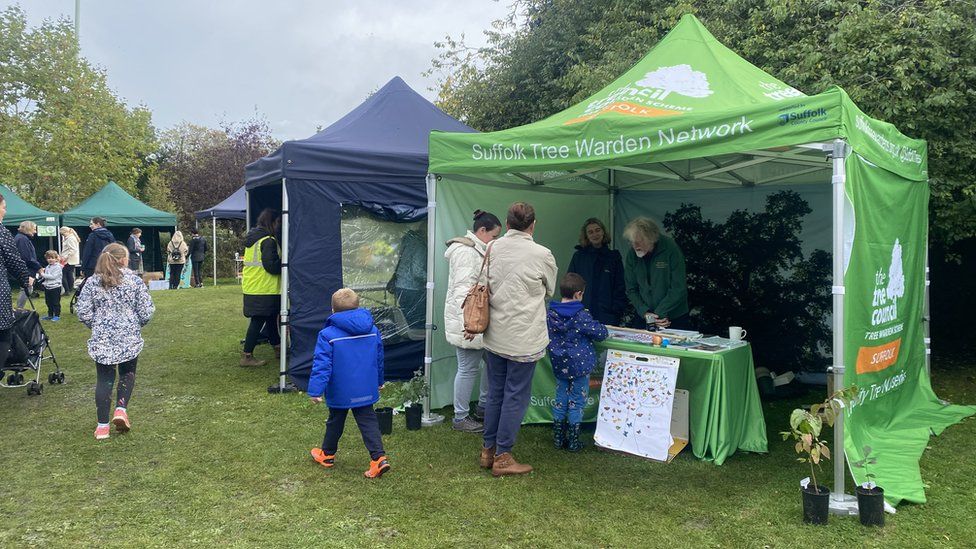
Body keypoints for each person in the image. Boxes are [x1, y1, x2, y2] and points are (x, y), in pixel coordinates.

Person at [476, 202, 557, 476]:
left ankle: (488, 450)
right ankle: (503, 456)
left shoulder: (492, 247)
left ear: (508, 224)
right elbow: (550, 290)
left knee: (496, 392)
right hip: (524, 335)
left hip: (495, 333)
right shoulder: (543, 254)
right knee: (515, 395)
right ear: (533, 225)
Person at [75, 243, 155, 440]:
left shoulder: (92, 282)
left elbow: (83, 311)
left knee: (104, 379)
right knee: (127, 373)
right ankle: (120, 409)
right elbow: (146, 310)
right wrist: (135, 323)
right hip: (128, 335)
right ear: (123, 259)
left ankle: (102, 427)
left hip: (102, 337)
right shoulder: (134, 281)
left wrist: (97, 325)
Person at [308, 288, 390, 479]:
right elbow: (379, 358)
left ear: (332, 310)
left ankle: (327, 454)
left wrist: (315, 390)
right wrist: (379, 381)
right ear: (358, 306)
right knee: (368, 421)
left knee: (335, 421)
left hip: (340, 389)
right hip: (366, 387)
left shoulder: (327, 334)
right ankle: (379, 458)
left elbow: (322, 364)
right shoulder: (373, 330)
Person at [444, 209, 501, 433]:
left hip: (478, 319)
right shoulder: (466, 252)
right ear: (482, 231)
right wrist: (469, 324)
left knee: (491, 363)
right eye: (494, 236)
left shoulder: (476, 250)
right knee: (468, 368)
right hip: (470, 321)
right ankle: (460, 417)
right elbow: (462, 291)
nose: (495, 242)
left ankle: (483, 408)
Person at [547, 273, 608, 452]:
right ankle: (573, 441)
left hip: (560, 364)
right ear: (578, 294)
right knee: (577, 401)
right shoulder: (581, 315)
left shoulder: (550, 313)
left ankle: (558, 438)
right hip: (580, 365)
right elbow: (601, 333)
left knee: (561, 399)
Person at [622, 217, 689, 330]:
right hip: (644, 316)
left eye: (639, 241)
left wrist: (659, 314)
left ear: (651, 238)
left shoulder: (670, 248)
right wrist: (644, 312)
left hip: (672, 316)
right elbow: (631, 288)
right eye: (632, 242)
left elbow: (678, 287)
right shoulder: (632, 255)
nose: (635, 246)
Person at [567, 217, 627, 326]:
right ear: (586, 236)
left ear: (603, 232)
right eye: (590, 232)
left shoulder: (613, 257)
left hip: (608, 315)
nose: (595, 234)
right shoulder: (579, 257)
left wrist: (616, 309)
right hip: (582, 313)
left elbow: (620, 286)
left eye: (597, 230)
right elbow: (570, 284)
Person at [240, 208, 282, 367]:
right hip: (264, 288)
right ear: (271, 222)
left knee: (271, 318)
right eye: (277, 222)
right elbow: (271, 266)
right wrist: (285, 263)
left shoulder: (253, 238)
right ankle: (247, 355)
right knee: (257, 321)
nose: (278, 226)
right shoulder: (268, 241)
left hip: (254, 286)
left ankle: (277, 347)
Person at [0, 193, 35, 372]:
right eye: (4, 207)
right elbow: (14, 261)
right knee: (3, 333)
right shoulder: (2, 232)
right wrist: (25, 279)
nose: (5, 211)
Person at [13, 221, 41, 309]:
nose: (35, 231)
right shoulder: (22, 239)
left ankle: (19, 309)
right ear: (28, 228)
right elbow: (27, 257)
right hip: (26, 269)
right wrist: (38, 267)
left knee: (27, 288)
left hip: (26, 268)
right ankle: (19, 309)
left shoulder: (21, 238)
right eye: (34, 229)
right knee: (26, 288)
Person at [38, 251, 64, 321]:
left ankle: (57, 315)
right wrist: (41, 275)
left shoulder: (58, 267)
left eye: (52, 258)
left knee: (55, 302)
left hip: (55, 287)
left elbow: (53, 277)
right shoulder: (47, 267)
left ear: (56, 259)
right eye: (48, 258)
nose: (50, 259)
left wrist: (42, 274)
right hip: (48, 287)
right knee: (48, 302)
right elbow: (45, 277)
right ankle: (50, 315)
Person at [60, 227, 81, 294]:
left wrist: (65, 257)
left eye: (63, 234)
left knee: (63, 274)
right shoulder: (72, 237)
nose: (63, 236)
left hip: (68, 260)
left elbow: (73, 249)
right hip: (72, 259)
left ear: (66, 232)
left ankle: (67, 290)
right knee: (69, 274)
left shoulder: (70, 239)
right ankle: (70, 289)